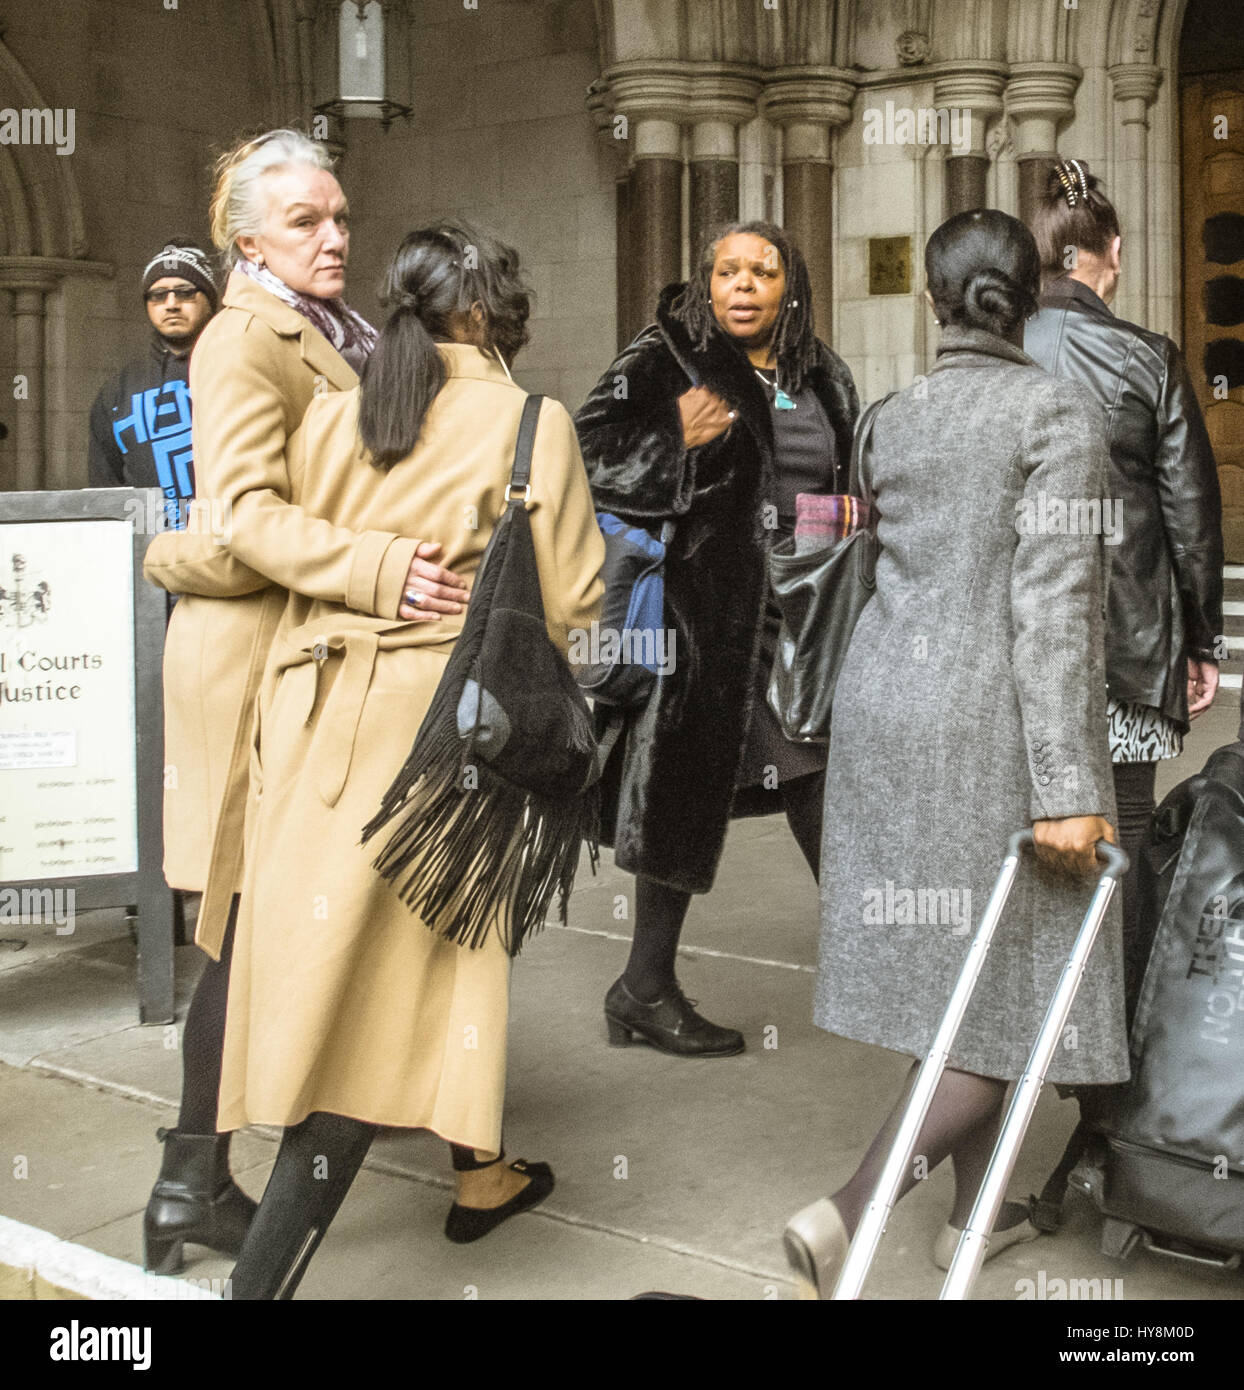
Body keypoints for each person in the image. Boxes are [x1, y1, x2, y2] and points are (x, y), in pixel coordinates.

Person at [214, 221, 604, 1299]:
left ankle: (480, 1178)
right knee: (376, 1003)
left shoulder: (334, 416)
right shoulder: (531, 421)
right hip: (441, 744)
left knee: (389, 971)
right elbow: (569, 602)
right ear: (482, 313)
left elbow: (272, 541)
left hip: (310, 725)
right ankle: (255, 1287)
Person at [783, 209, 1129, 1296]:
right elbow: (1054, 613)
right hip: (991, 725)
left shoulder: (890, 415)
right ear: (1029, 293)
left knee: (961, 979)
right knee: (1022, 993)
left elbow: (844, 544)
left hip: (884, 713)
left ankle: (968, 1226)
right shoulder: (1055, 416)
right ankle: (853, 1210)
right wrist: (1072, 787)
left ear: (931, 300)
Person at [140, 129, 467, 1274]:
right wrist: (383, 567)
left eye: (338, 216)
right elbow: (243, 517)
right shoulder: (240, 337)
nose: (334, 237)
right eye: (305, 223)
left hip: (301, 649)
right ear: (245, 241)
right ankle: (198, 1180)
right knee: (248, 926)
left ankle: (190, 1181)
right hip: (251, 671)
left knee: (253, 928)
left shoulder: (338, 328)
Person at [574, 221, 858, 1057]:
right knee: (800, 776)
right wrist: (669, 435)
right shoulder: (663, 355)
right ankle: (896, 965)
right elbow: (581, 450)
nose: (742, 285)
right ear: (706, 284)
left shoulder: (821, 375)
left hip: (805, 619)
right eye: (726, 272)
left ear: (789, 286)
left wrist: (839, 519)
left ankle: (642, 987)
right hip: (702, 621)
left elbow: (830, 487)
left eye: (762, 271)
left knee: (698, 792)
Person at [1024, 158, 1224, 1017]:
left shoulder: (998, 352)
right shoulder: (1149, 356)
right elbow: (1190, 510)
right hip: (1131, 635)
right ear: (1107, 253)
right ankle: (1117, 1027)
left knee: (1035, 820)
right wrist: (1200, 638)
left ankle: (1037, 1006)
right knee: (1128, 827)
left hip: (1028, 632)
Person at [88, 240, 218, 528]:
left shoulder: (240, 365)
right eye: (158, 295)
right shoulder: (116, 391)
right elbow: (104, 494)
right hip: (149, 557)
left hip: (231, 548)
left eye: (185, 292)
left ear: (209, 298)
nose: (171, 304)